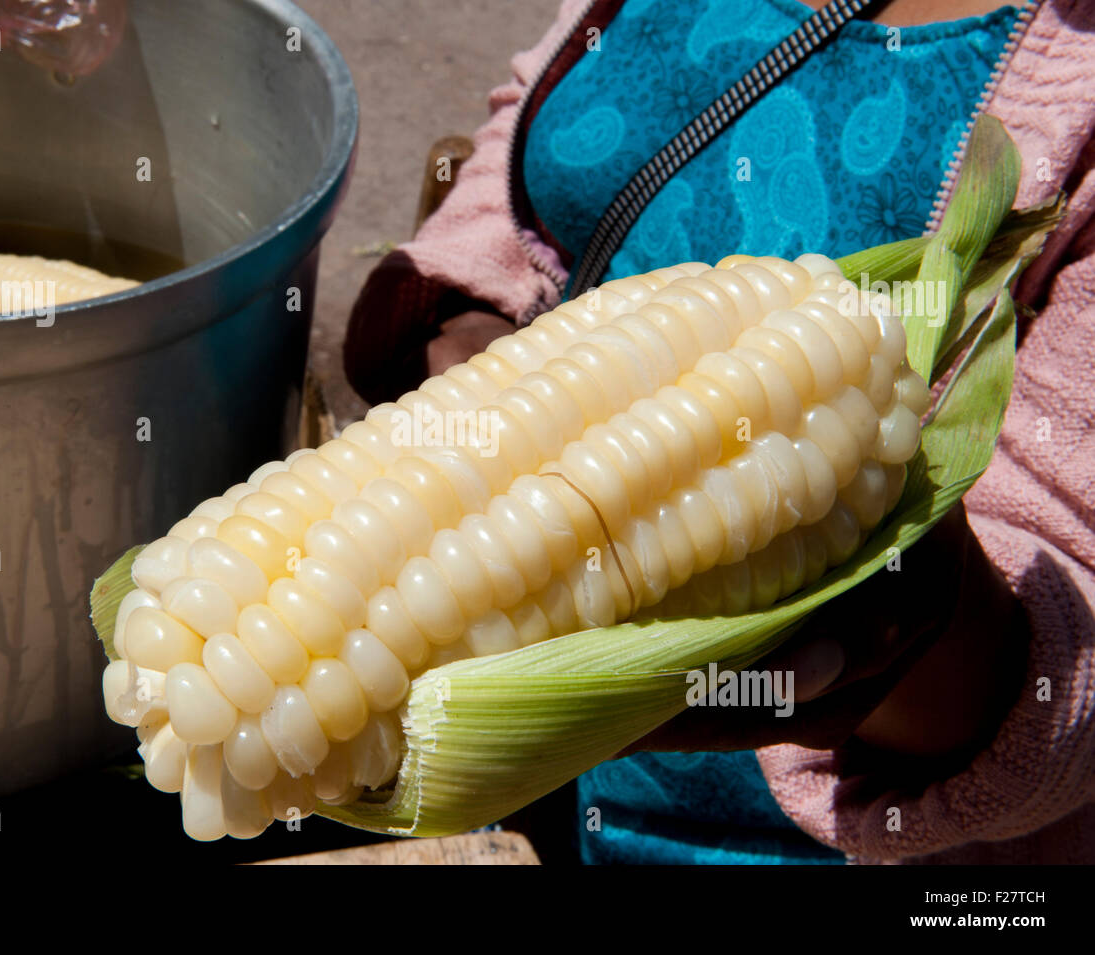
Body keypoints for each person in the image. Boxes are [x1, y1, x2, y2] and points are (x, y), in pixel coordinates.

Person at [343, 0, 1095, 863]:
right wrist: (473, 317)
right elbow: (546, 133)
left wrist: (927, 625)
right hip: (536, 801)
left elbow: (1072, 669)